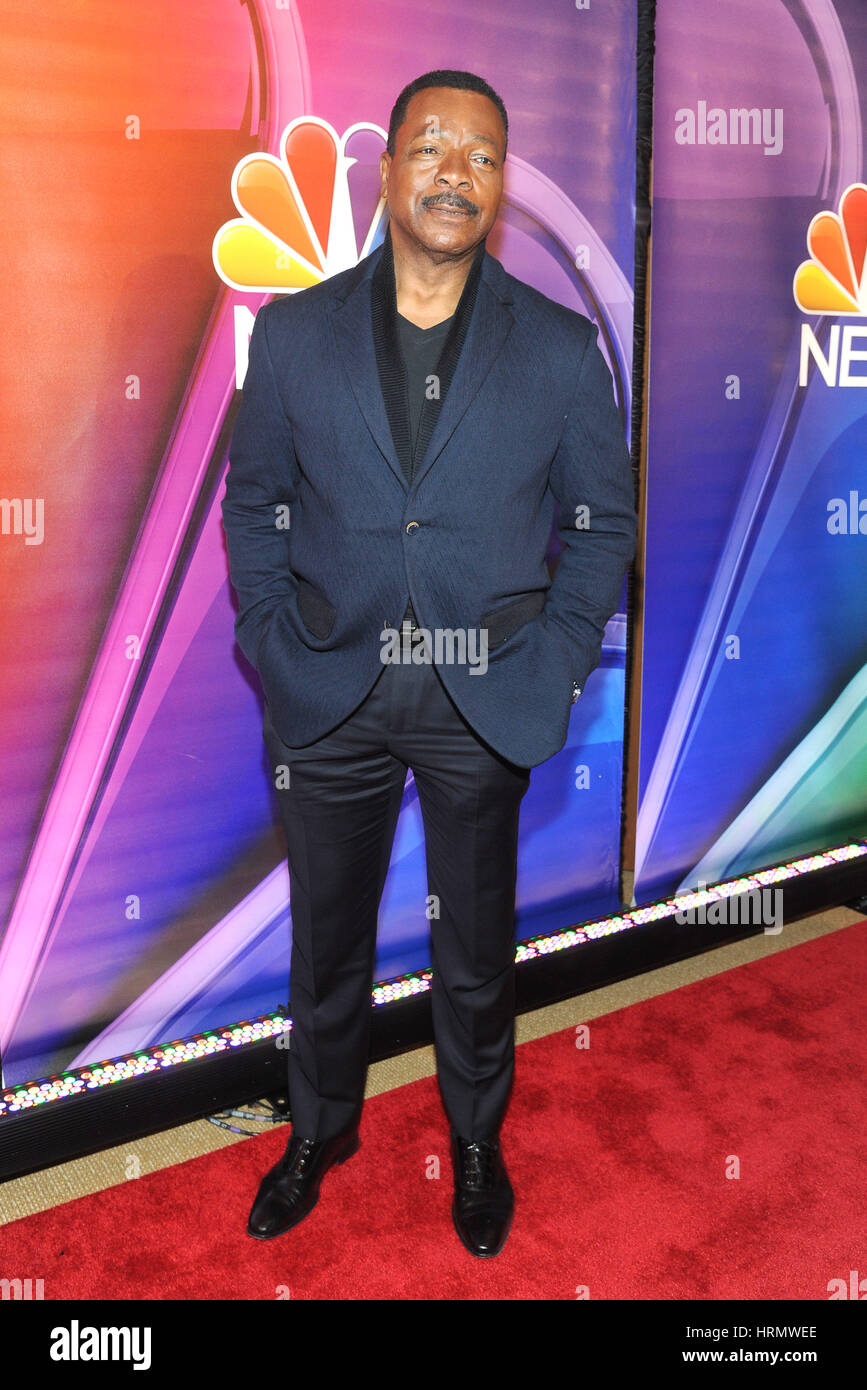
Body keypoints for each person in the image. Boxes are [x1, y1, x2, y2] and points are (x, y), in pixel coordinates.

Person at [221, 69, 638, 1257]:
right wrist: (268, 633)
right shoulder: (294, 335)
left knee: (473, 947)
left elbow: (604, 523)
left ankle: (473, 1138)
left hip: (482, 691)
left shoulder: (560, 350)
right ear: (389, 166)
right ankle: (319, 1131)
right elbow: (253, 505)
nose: (457, 170)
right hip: (328, 688)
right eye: (434, 145)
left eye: (484, 155)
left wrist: (557, 659)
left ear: (501, 187)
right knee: (327, 938)